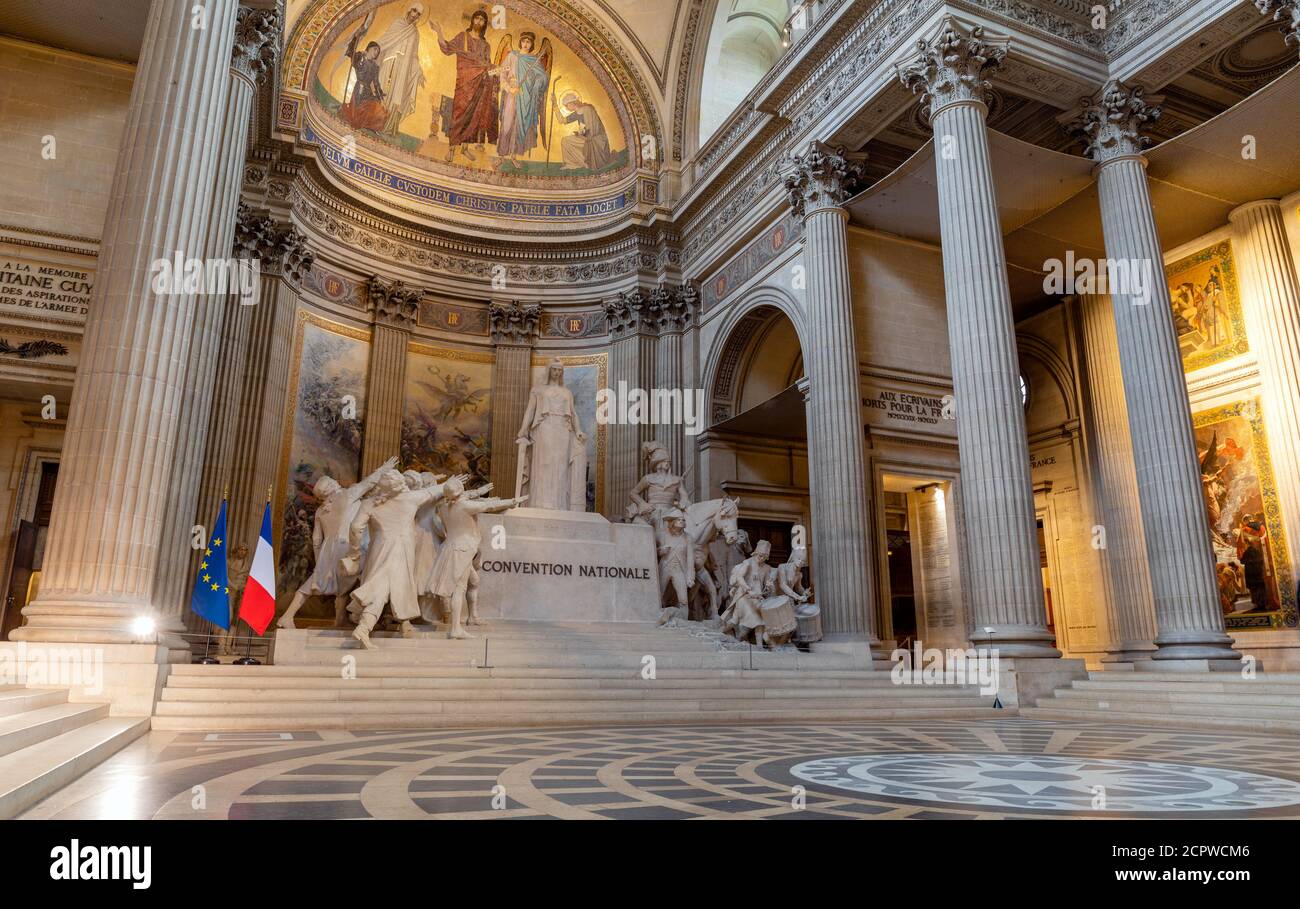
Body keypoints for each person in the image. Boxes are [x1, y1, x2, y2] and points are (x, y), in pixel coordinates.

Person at [346, 470, 466, 649]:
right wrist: (450, 483)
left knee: (382, 588)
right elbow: (435, 491)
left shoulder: (369, 503)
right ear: (401, 484)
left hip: (379, 549)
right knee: (383, 588)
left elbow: (355, 528)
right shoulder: (411, 498)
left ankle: (370, 626)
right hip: (401, 551)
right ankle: (364, 628)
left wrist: (354, 554)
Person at [278, 456, 398, 629]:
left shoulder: (321, 509)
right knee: (371, 571)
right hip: (348, 545)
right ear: (332, 486)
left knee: (322, 583)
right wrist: (384, 468)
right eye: (334, 481)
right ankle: (370, 616)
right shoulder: (347, 496)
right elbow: (369, 483)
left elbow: (316, 540)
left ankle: (329, 619)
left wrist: (320, 561)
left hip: (328, 548)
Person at [428, 478, 525, 639]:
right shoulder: (464, 506)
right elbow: (489, 506)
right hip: (462, 549)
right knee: (459, 589)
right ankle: (455, 628)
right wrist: (513, 501)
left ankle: (471, 617)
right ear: (460, 490)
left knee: (473, 581)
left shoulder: (443, 507)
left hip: (451, 547)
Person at [516, 358, 587, 511]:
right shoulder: (538, 389)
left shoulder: (567, 392)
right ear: (549, 370)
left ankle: (559, 504)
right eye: (554, 369)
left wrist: (579, 430)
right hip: (544, 427)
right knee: (544, 463)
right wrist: (523, 428)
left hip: (563, 430)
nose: (557, 373)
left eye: (560, 370)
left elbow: (573, 413)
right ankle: (539, 503)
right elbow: (531, 410)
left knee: (560, 466)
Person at [432, 8, 498, 162]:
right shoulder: (463, 37)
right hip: (464, 84)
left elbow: (488, 67)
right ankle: (451, 149)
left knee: (474, 118)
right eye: (477, 18)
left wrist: (498, 72)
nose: (479, 22)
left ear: (485, 24)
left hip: (480, 86)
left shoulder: (485, 45)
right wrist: (439, 32)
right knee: (458, 116)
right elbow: (447, 48)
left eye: (482, 20)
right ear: (472, 20)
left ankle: (465, 149)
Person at [497, 31, 550, 165]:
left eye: (529, 42)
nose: (525, 44)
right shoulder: (513, 56)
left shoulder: (533, 60)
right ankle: (502, 156)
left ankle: (514, 156)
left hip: (526, 96)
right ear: (520, 42)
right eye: (524, 41)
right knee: (507, 123)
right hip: (512, 94)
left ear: (531, 44)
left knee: (519, 125)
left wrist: (538, 81)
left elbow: (543, 76)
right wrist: (509, 87)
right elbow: (502, 72)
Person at [374, 3, 428, 136]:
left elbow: (414, 55)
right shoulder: (397, 23)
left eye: (418, 14)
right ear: (409, 10)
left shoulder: (415, 33)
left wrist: (419, 72)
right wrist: (370, 52)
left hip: (402, 68)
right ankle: (373, 120)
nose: (414, 15)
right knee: (382, 88)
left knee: (396, 94)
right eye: (414, 11)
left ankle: (386, 126)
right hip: (389, 61)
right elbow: (385, 40)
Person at [720, 540, 773, 646]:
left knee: (760, 621)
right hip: (744, 596)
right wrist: (749, 590)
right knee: (737, 620)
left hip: (757, 598)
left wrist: (768, 586)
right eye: (760, 555)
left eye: (764, 556)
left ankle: (759, 646)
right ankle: (719, 632)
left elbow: (766, 587)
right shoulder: (748, 563)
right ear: (756, 553)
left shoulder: (767, 568)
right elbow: (739, 577)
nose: (761, 558)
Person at [655, 508, 694, 625]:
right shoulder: (662, 535)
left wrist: (690, 577)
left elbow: (690, 558)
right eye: (679, 520)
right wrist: (661, 551)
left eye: (683, 520)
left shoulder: (688, 537)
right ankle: (657, 618)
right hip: (665, 567)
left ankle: (683, 622)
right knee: (658, 595)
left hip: (679, 570)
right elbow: (653, 552)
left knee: (683, 599)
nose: (682, 521)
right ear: (672, 522)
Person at [556, 90, 611, 171]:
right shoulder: (576, 113)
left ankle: (586, 162)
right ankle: (572, 164)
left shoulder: (587, 109)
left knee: (575, 141)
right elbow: (562, 120)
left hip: (596, 140)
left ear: (572, 103)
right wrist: (555, 106)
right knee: (565, 141)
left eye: (566, 105)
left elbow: (592, 130)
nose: (566, 108)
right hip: (585, 137)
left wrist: (582, 135)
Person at [340, 41, 386, 131]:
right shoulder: (360, 57)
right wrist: (355, 39)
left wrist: (381, 99)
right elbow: (351, 53)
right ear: (368, 48)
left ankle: (369, 125)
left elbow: (376, 83)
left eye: (378, 51)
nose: (376, 52)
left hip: (367, 90)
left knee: (377, 106)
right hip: (359, 88)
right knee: (357, 112)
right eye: (375, 49)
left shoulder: (375, 67)